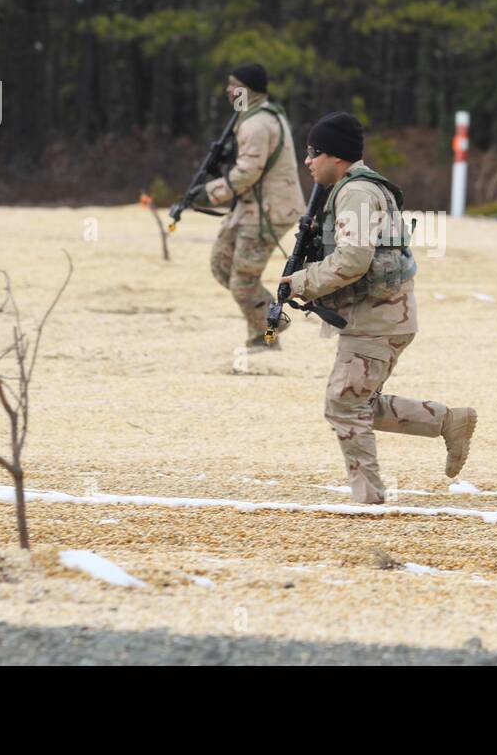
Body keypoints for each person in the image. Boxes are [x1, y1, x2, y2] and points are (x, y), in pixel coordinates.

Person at [279, 111, 476, 503]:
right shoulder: (356, 189)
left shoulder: (356, 193)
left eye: (313, 153)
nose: (307, 161)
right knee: (356, 401)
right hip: (381, 316)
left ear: (335, 157)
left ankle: (368, 498)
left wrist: (301, 282)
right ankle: (449, 421)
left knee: (343, 403)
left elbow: (353, 260)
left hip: (378, 320)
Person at [188, 64, 305, 348]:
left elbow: (248, 172)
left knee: (242, 282)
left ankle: (265, 335)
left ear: (249, 91)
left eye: (234, 85)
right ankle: (270, 320)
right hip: (253, 208)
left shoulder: (255, 123)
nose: (228, 91)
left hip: (269, 212)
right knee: (221, 266)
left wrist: (209, 193)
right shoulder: (253, 116)